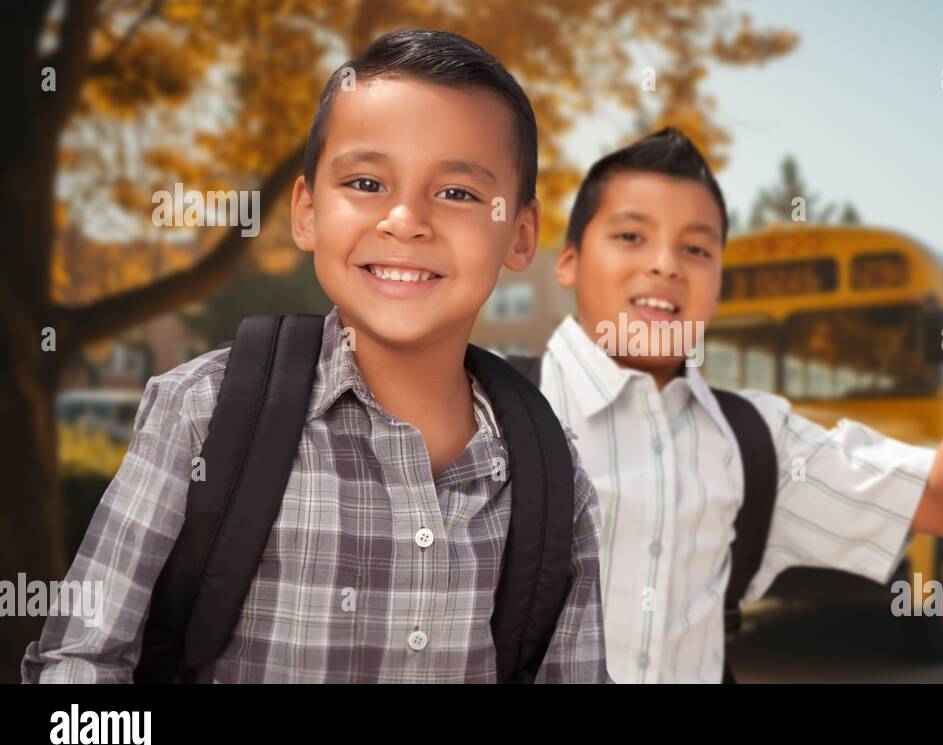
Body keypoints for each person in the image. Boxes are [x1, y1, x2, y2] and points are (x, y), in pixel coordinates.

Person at [22, 30, 607, 683]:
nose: (405, 220)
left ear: (520, 235)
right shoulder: (205, 411)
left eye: (458, 193)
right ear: (306, 212)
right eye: (366, 182)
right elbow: (79, 662)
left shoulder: (552, 473)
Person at [527, 128, 943, 683]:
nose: (666, 265)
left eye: (696, 248)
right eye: (631, 235)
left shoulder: (755, 438)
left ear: (717, 287)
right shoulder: (480, 407)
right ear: (569, 261)